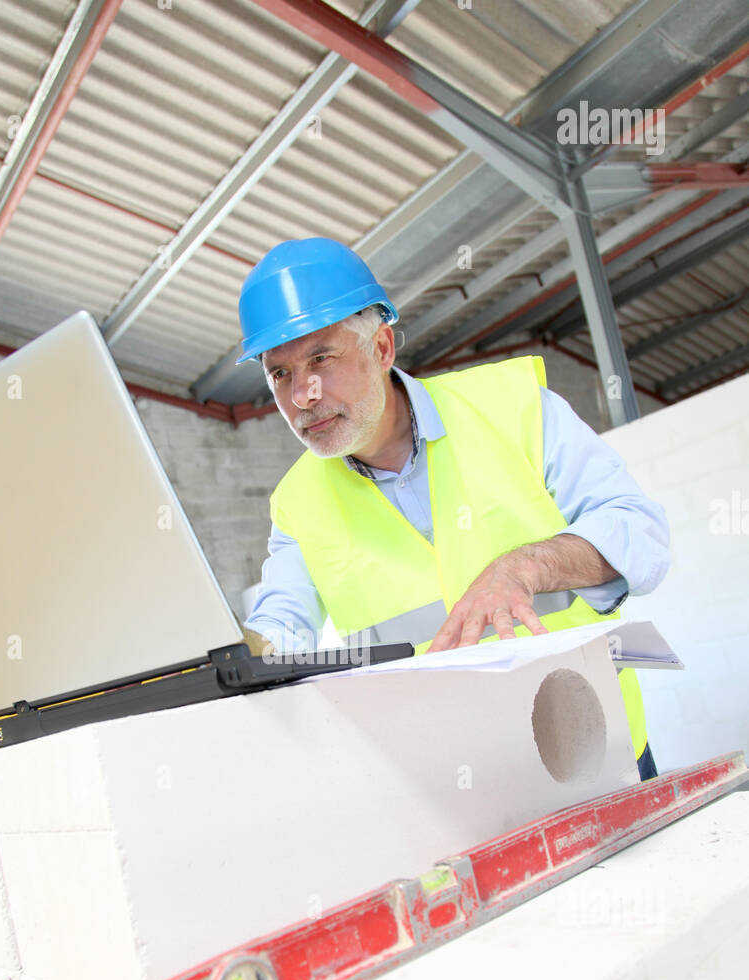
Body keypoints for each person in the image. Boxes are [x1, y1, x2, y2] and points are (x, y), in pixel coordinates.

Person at [238, 238, 669, 781]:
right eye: (279, 374)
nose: (302, 394)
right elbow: (279, 630)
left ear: (382, 348)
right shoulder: (297, 504)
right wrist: (228, 658)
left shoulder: (510, 407)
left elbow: (641, 531)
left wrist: (524, 568)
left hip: (594, 749)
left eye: (320, 358)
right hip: (446, 782)